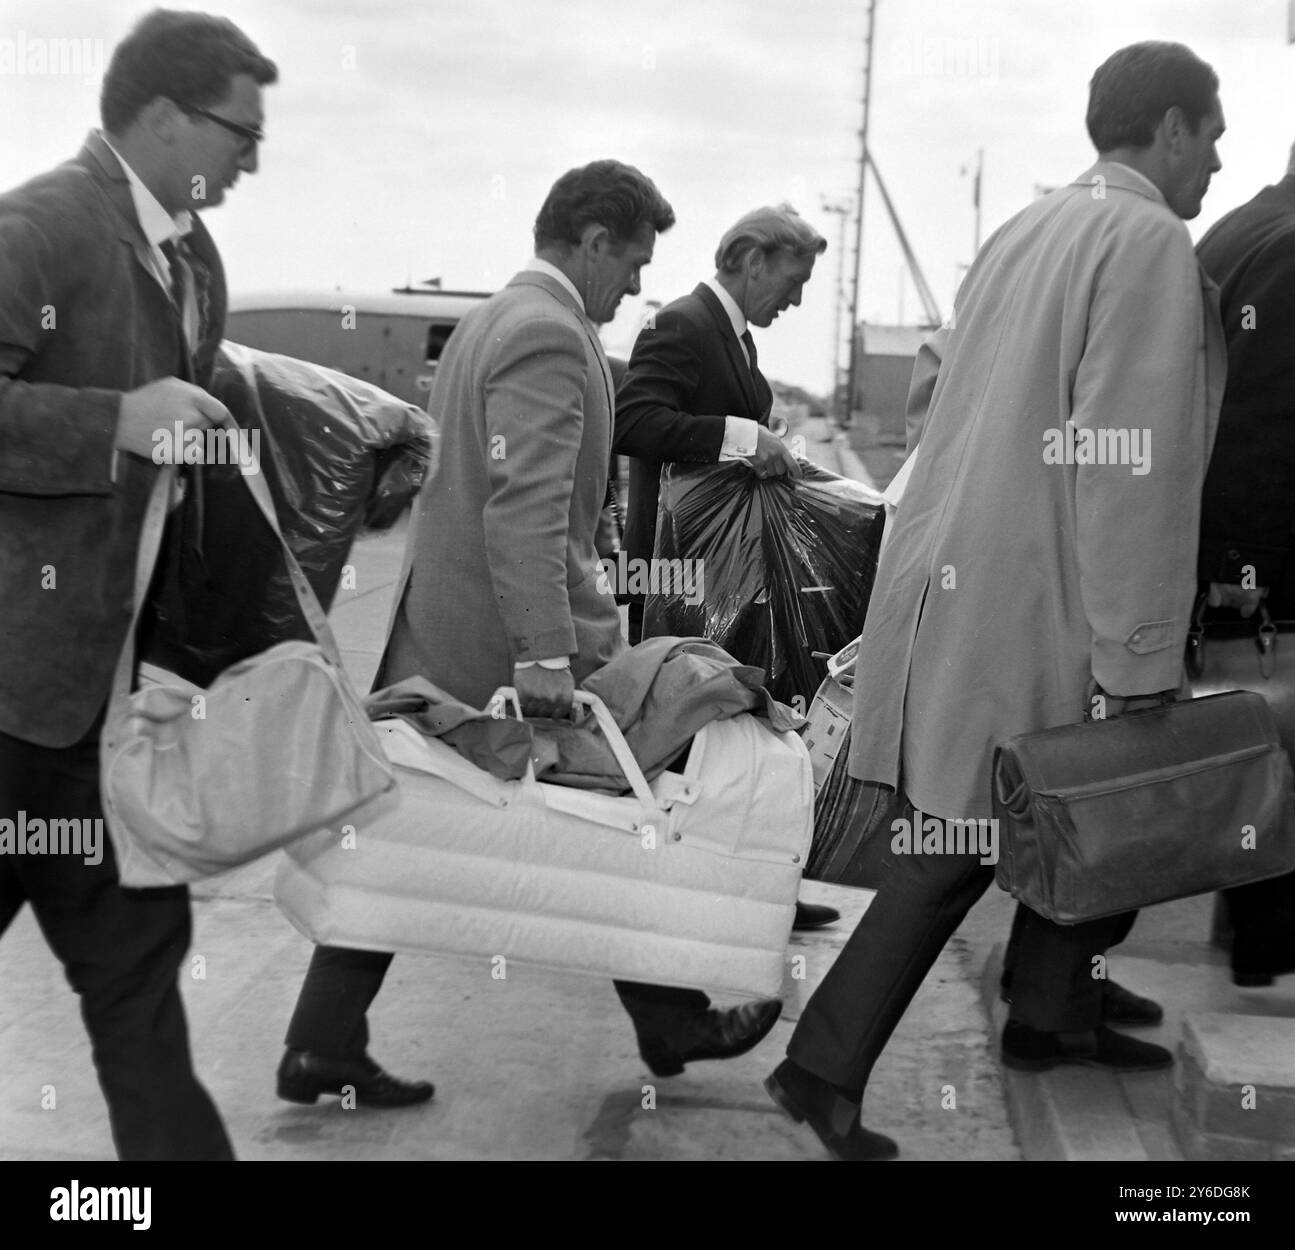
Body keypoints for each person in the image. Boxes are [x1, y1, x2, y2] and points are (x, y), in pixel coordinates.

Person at [766, 41, 1227, 1161]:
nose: (1215, 162)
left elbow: (931, 401)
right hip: (1048, 599)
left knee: (998, 823)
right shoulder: (1147, 240)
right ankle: (820, 1066)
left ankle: (1049, 1014)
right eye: (1210, 136)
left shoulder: (1024, 230)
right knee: (970, 835)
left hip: (959, 576)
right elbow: (1133, 468)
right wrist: (1137, 660)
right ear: (1167, 128)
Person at [278, 161, 783, 1106]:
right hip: (500, 645)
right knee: (617, 816)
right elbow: (528, 506)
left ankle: (320, 1044)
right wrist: (545, 653)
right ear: (592, 243)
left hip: (453, 628)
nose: (636, 285)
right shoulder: (549, 335)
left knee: (418, 835)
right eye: (631, 263)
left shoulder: (493, 318)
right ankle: (670, 1020)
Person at [0, 9, 277, 1159]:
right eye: (239, 131)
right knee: (135, 982)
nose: (252, 158)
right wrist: (115, 420)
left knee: (137, 977)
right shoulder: (41, 228)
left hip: (107, 715)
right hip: (12, 700)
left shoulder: (193, 258)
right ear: (162, 118)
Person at [615, 207, 839, 951]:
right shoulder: (683, 324)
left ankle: (753, 878)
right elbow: (635, 422)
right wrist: (744, 437)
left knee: (730, 731)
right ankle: (690, 889)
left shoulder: (732, 340)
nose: (797, 300)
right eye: (793, 280)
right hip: (677, 575)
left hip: (719, 577)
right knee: (691, 736)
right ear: (749, 259)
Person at [1193, 140, 1295, 988]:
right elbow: (1266, 419)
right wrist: (1247, 567)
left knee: (1242, 744)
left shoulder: (1238, 228)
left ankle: (1255, 940)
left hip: (1226, 546)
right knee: (1271, 744)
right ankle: (1268, 943)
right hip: (1259, 559)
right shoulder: (1292, 241)